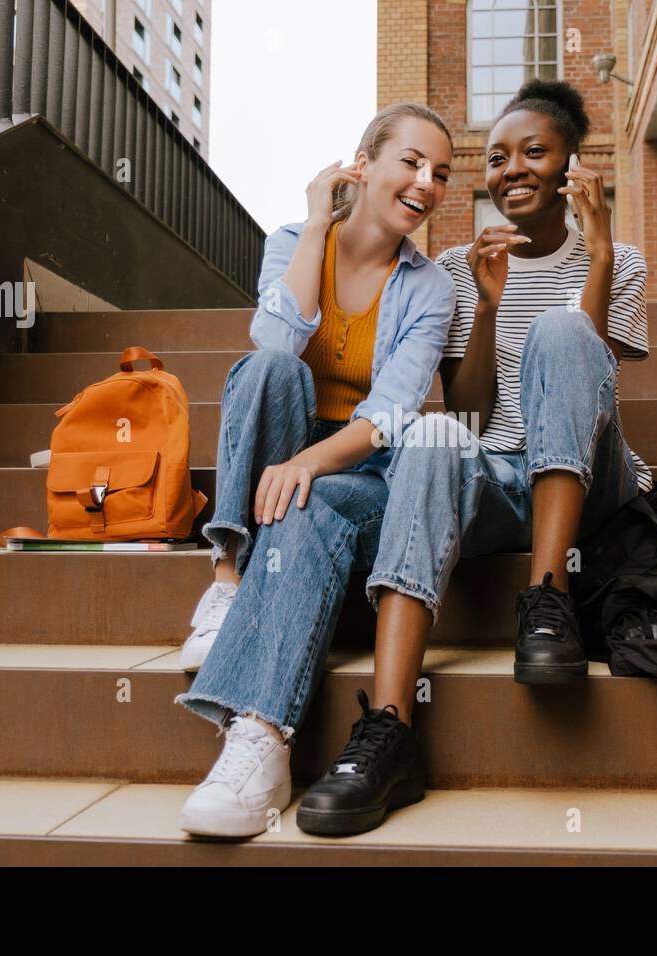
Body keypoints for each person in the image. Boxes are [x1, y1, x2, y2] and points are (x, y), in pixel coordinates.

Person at [294, 79, 651, 836]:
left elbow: (589, 388)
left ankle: (547, 602)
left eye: (533, 152)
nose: (512, 168)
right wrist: (487, 305)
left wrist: (599, 255)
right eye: (495, 157)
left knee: (560, 334)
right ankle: (389, 733)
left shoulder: (620, 259)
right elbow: (471, 412)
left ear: (569, 168)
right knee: (434, 434)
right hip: (501, 478)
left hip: (593, 482)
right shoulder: (458, 269)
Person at [174, 103, 455, 839]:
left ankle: (260, 745)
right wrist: (318, 224)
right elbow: (273, 336)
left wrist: (310, 463)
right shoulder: (293, 241)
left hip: (361, 466)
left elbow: (393, 412)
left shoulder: (430, 289)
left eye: (442, 173)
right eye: (412, 162)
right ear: (361, 165)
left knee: (313, 499)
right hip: (282, 439)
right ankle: (227, 579)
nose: (428, 183)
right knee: (269, 370)